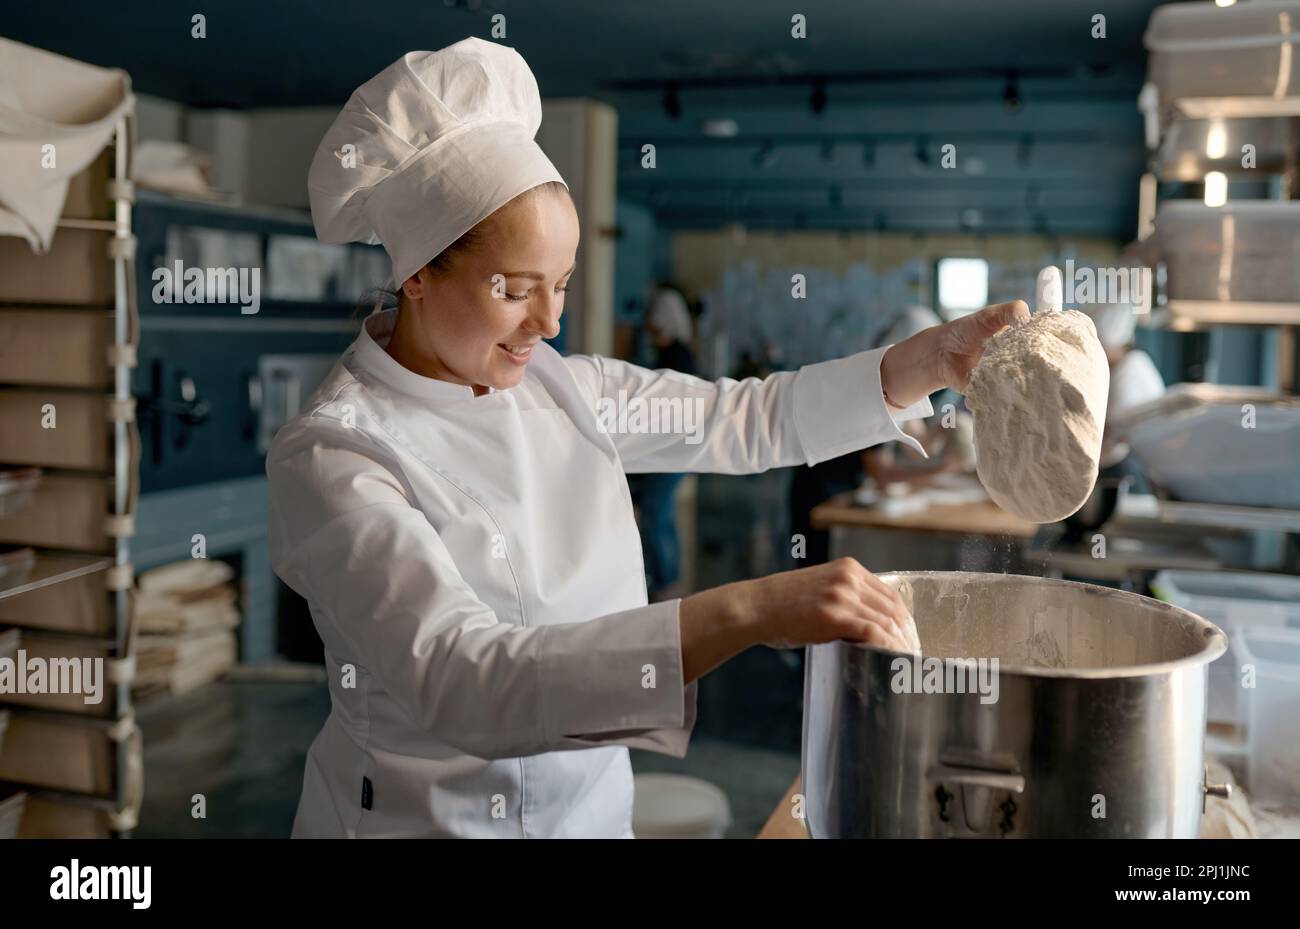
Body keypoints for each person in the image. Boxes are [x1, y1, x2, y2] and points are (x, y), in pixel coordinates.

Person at [268, 37, 1029, 838]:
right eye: (517, 290)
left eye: (560, 286)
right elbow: (464, 681)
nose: (551, 321)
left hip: (590, 816)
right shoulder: (336, 452)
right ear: (418, 273)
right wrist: (754, 608)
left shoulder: (566, 388)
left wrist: (930, 360)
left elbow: (750, 417)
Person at [787, 305, 967, 565]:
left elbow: (915, 445)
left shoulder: (900, 384)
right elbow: (882, 474)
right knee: (815, 569)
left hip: (848, 488)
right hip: (822, 489)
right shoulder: (877, 393)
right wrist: (941, 471)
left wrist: (943, 430)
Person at [628, 284, 696, 600]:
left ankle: (666, 582)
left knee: (656, 515)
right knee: (661, 515)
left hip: (671, 450)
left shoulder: (676, 357)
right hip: (672, 450)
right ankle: (668, 580)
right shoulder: (673, 353)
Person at [1085, 300, 1166, 475]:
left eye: (1101, 348)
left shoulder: (1132, 369)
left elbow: (1109, 430)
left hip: (1122, 464)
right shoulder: (1124, 365)